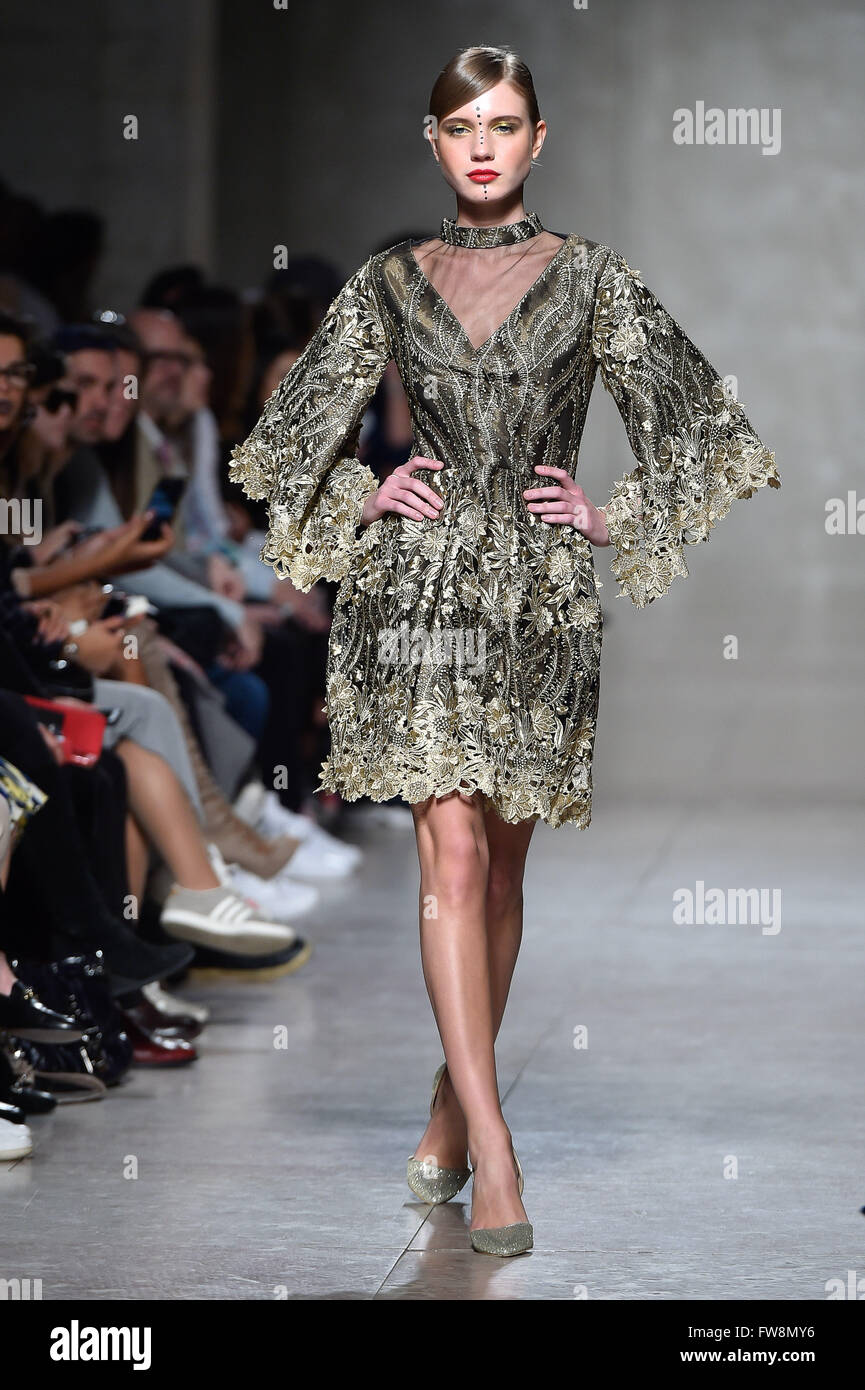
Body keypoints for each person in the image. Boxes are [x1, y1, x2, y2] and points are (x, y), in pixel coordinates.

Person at [228, 45, 781, 1257]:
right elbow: (282, 436)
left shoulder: (591, 283)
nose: (483, 144)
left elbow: (703, 427)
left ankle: (444, 1105)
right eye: (460, 125)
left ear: (540, 142)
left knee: (505, 877)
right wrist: (363, 496)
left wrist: (609, 512)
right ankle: (495, 1148)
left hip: (537, 599)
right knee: (456, 858)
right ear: (432, 143)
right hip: (416, 594)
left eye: (506, 123)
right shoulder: (386, 280)